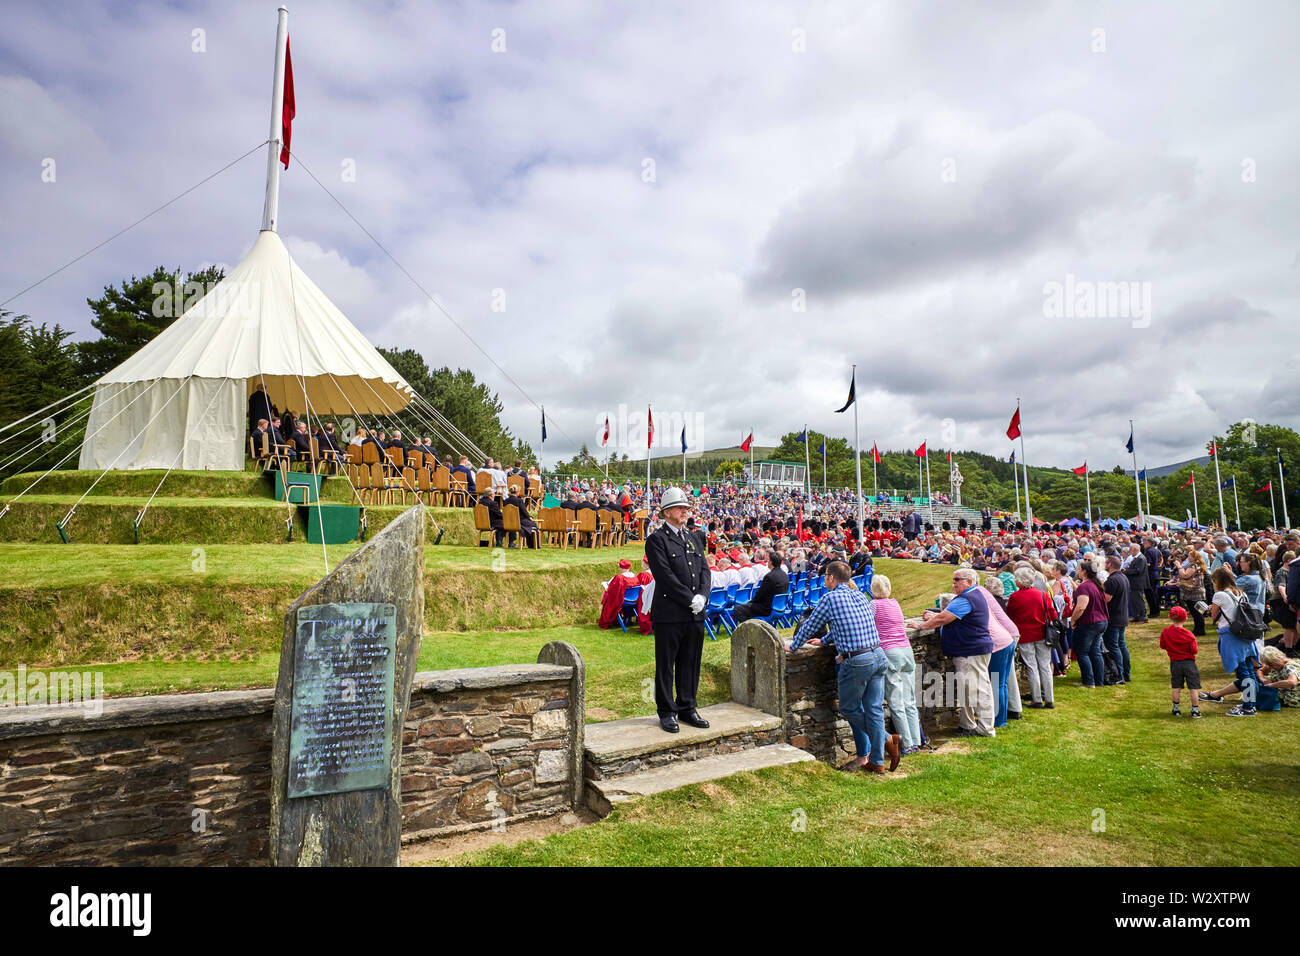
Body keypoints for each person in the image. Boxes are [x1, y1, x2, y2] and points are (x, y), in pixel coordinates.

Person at [786, 561, 900, 773]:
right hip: (878, 655)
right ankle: (877, 762)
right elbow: (850, 624)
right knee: (874, 710)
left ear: (830, 577)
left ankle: (886, 740)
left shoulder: (830, 598)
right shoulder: (860, 595)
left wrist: (793, 646)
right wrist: (826, 639)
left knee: (849, 708)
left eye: (825, 576)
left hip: (857, 660)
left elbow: (810, 625)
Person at [644, 487, 712, 734]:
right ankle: (667, 711)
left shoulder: (693, 537)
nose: (685, 512)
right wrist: (689, 598)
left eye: (686, 508)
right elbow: (665, 576)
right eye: (681, 508)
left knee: (691, 662)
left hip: (695, 613)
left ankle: (688, 706)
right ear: (668, 512)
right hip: (671, 613)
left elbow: (705, 570)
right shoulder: (656, 540)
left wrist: (703, 596)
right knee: (666, 664)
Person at [921, 567, 995, 737]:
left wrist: (922, 625)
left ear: (969, 581)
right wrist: (934, 615)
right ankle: (967, 725)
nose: (953, 583)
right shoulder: (971, 595)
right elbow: (948, 615)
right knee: (967, 689)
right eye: (953, 579)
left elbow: (943, 618)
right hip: (969, 649)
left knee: (978, 689)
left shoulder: (968, 597)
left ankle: (986, 728)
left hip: (971, 650)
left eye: (957, 579)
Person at [871, 575, 923, 756]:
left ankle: (907, 744)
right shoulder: (894, 603)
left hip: (890, 651)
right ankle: (916, 741)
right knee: (909, 700)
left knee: (896, 701)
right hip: (906, 650)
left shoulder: (874, 605)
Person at [1199, 566, 1260, 716]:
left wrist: (1210, 610)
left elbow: (1213, 616)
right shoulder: (1241, 593)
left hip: (1231, 635)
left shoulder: (1219, 595)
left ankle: (1248, 707)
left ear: (1218, 580)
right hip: (1246, 634)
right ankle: (1251, 702)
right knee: (1248, 670)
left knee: (1242, 672)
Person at [1006, 566, 1055, 708]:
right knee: (1044, 666)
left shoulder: (1015, 597)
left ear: (1020, 581)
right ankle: (1049, 698)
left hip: (1026, 634)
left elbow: (1010, 616)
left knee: (1032, 666)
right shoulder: (1042, 594)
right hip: (1042, 633)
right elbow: (1052, 614)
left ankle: (1037, 699)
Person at [1069, 559, 1109, 688]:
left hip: (1090, 622)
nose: (1078, 572)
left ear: (1084, 571)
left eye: (1080, 570)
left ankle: (1088, 681)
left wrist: (1074, 619)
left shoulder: (1085, 587)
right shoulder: (1096, 585)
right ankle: (1099, 680)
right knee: (1095, 651)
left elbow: (1081, 606)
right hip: (1101, 621)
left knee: (1082, 651)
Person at [1159, 605, 1202, 718]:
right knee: (1193, 687)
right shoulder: (1189, 635)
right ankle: (1195, 710)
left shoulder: (1166, 632)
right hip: (1189, 663)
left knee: (1176, 686)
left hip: (1175, 663)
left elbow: (1162, 645)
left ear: (1171, 618)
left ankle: (1176, 709)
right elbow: (1194, 650)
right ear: (1185, 618)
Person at [733, 550, 787, 624]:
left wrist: (751, 602)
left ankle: (750, 628)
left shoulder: (769, 576)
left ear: (770, 562)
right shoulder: (784, 575)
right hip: (779, 606)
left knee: (738, 609)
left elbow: (760, 594)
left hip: (767, 608)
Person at [1102, 555, 1131, 685]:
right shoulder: (1123, 577)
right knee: (1121, 645)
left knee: (1114, 646)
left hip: (1114, 617)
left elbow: (1106, 599)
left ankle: (1119, 674)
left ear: (1109, 564)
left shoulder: (1112, 581)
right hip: (1121, 615)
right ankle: (1126, 673)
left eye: (1105, 562)